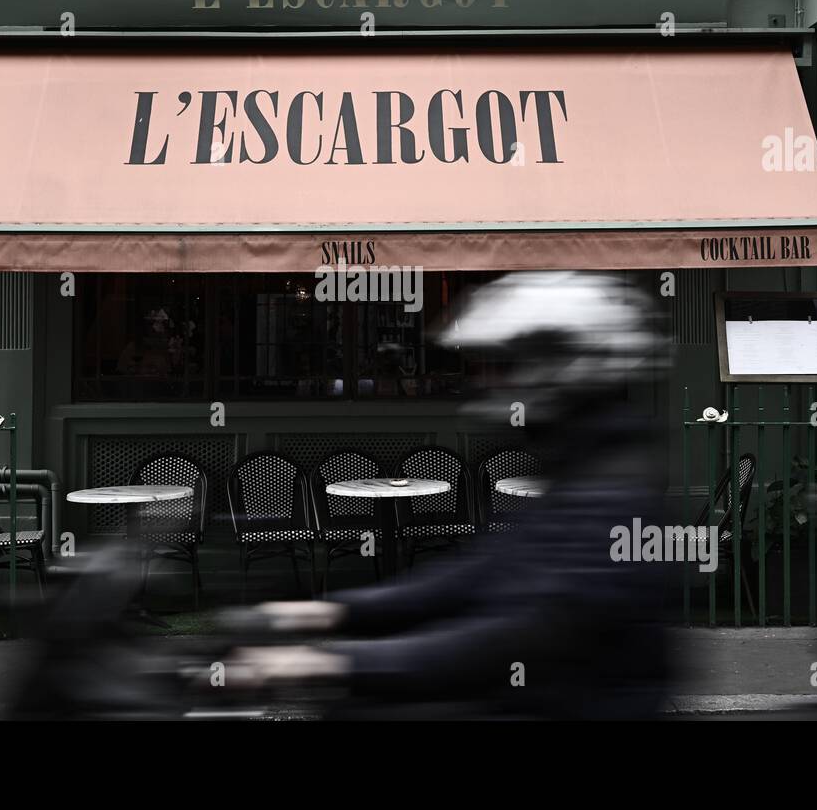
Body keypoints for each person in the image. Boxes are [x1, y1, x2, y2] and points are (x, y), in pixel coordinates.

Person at [225, 271, 673, 719]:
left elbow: (520, 636)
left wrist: (327, 663)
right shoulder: (576, 473)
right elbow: (471, 576)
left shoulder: (614, 496)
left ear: (561, 365)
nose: (489, 383)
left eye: (503, 366)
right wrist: (323, 613)